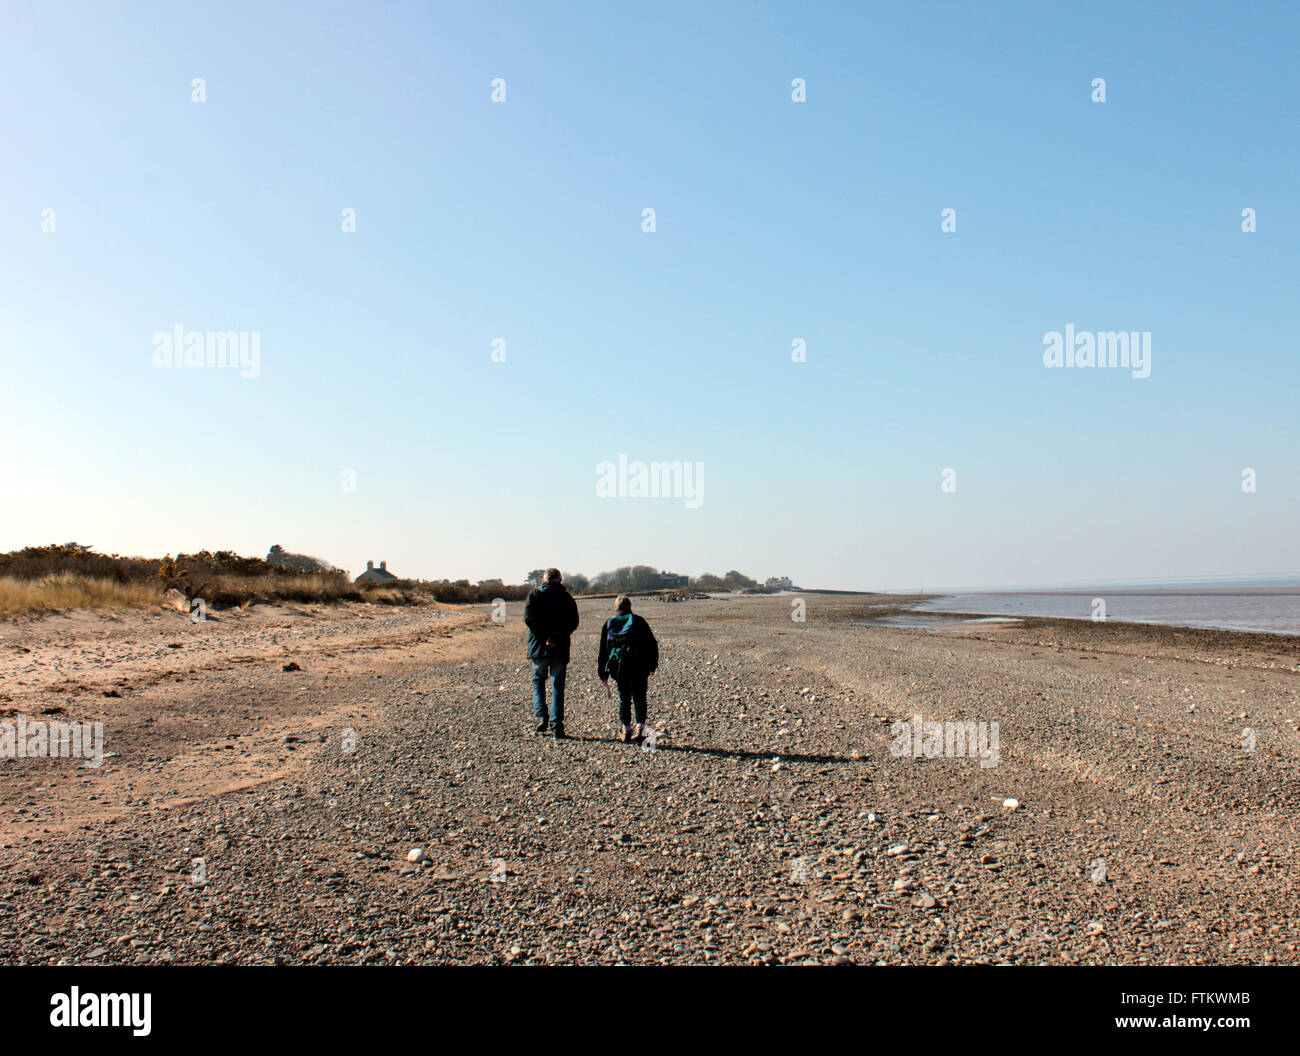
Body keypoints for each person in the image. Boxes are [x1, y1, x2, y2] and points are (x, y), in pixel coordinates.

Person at [523, 568, 580, 739]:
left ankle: (541, 716)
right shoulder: (567, 598)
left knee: (538, 681)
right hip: (560, 647)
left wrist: (545, 637)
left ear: (543, 579)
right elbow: (573, 622)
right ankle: (557, 725)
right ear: (560, 580)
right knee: (557, 686)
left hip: (539, 647)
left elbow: (529, 619)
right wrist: (555, 636)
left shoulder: (534, 595)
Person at [597, 595, 659, 742]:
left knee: (624, 698)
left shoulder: (609, 624)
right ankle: (640, 729)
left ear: (616, 608)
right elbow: (651, 644)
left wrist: (603, 672)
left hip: (618, 667)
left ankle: (626, 730)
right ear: (630, 607)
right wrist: (652, 664)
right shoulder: (639, 621)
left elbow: (603, 651)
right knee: (639, 697)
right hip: (639, 665)